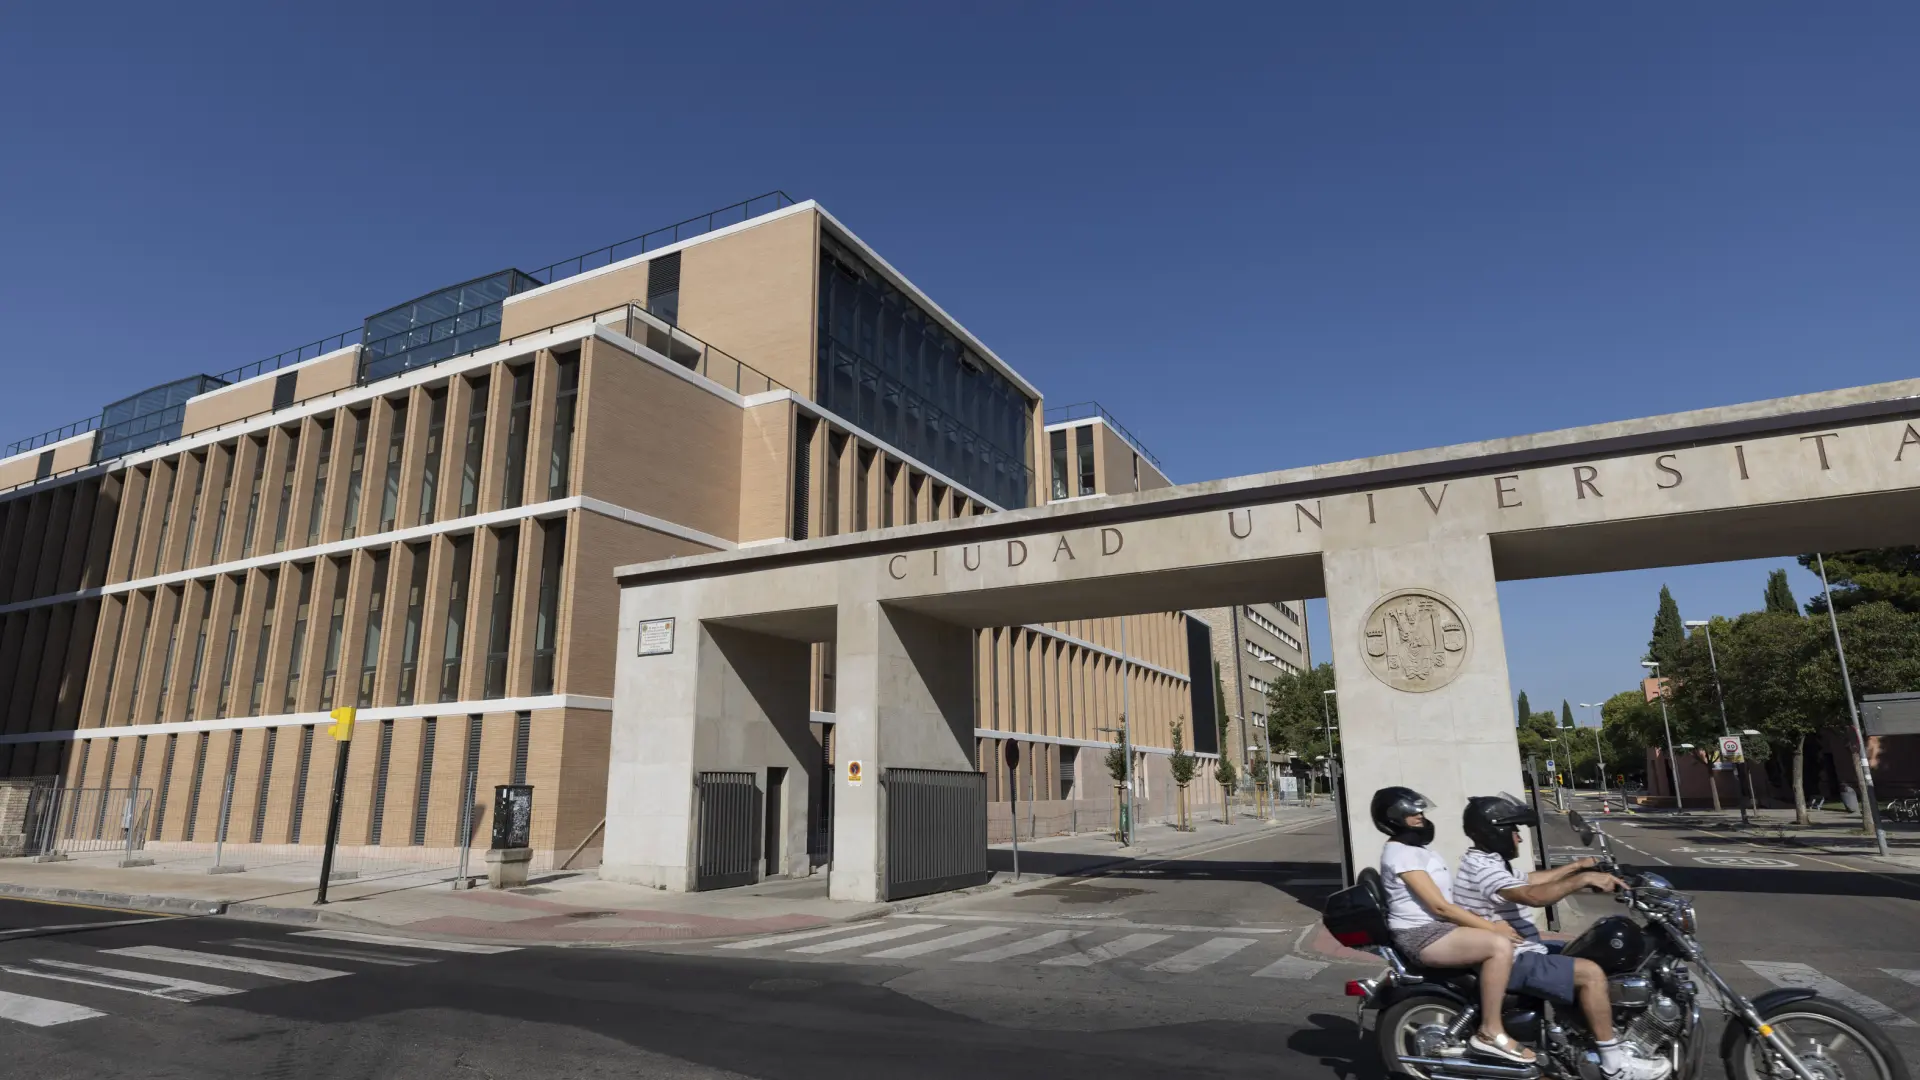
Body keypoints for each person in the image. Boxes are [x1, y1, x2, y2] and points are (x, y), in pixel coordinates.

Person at [1455, 794, 1672, 1080]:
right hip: (1513, 957)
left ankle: (1584, 1031)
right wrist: (1582, 879)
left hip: (1525, 949)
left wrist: (1579, 866)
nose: (1518, 838)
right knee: (1592, 973)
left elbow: (1530, 880)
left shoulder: (1490, 862)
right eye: (1513, 830)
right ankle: (1614, 1064)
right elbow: (1531, 895)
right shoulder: (1481, 868)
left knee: (1588, 951)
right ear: (1493, 831)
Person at [1371, 786, 1533, 1065]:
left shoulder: (1414, 850)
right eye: (1411, 813)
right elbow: (1439, 907)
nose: (1420, 816)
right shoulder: (1401, 854)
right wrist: (1491, 929)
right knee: (1499, 946)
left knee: (1515, 939)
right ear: (1394, 818)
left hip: (1438, 929)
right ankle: (1490, 1031)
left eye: (1421, 811)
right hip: (1421, 935)